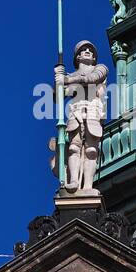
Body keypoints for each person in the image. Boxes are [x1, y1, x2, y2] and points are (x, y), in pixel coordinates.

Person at [55, 40, 109, 193]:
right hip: (76, 111)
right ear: (77, 57)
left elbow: (91, 79)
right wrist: (58, 81)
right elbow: (57, 96)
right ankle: (73, 181)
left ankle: (87, 186)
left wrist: (66, 80)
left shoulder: (100, 68)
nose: (87, 51)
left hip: (93, 110)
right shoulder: (70, 76)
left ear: (94, 58)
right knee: (73, 147)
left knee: (91, 150)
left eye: (90, 50)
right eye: (83, 49)